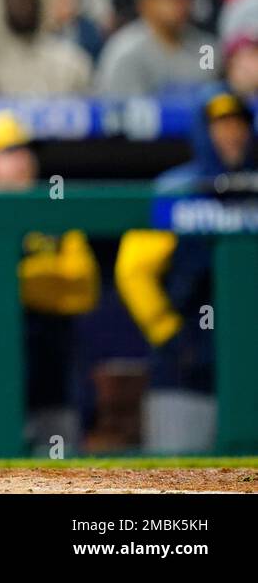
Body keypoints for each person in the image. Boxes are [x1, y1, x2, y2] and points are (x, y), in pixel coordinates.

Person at [115, 90, 256, 452]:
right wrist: (170, 335)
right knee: (176, 479)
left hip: (249, 371)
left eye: (238, 125)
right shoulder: (177, 188)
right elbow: (132, 271)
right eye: (220, 126)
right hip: (186, 370)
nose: (231, 135)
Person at [0, 111, 100, 451]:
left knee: (64, 482)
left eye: (25, 150)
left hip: (53, 387)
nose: (23, 160)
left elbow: (84, 290)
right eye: (9, 152)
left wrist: (19, 282)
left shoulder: (54, 215)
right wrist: (48, 281)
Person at [96, 0, 217, 96]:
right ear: (145, 1)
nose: (180, 3)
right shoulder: (126, 52)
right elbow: (124, 112)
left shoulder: (206, 48)